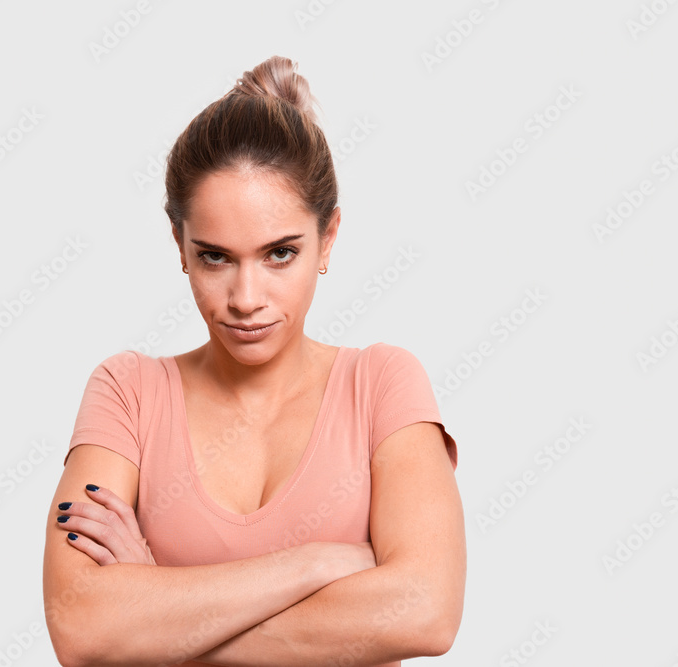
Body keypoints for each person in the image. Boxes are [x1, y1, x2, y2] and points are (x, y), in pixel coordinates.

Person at [43, 55, 465, 666]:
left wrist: (160, 615)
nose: (245, 298)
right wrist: (315, 564)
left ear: (328, 237)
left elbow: (426, 612)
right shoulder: (128, 392)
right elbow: (81, 627)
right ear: (179, 245)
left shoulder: (382, 385)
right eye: (215, 256)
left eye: (279, 254)